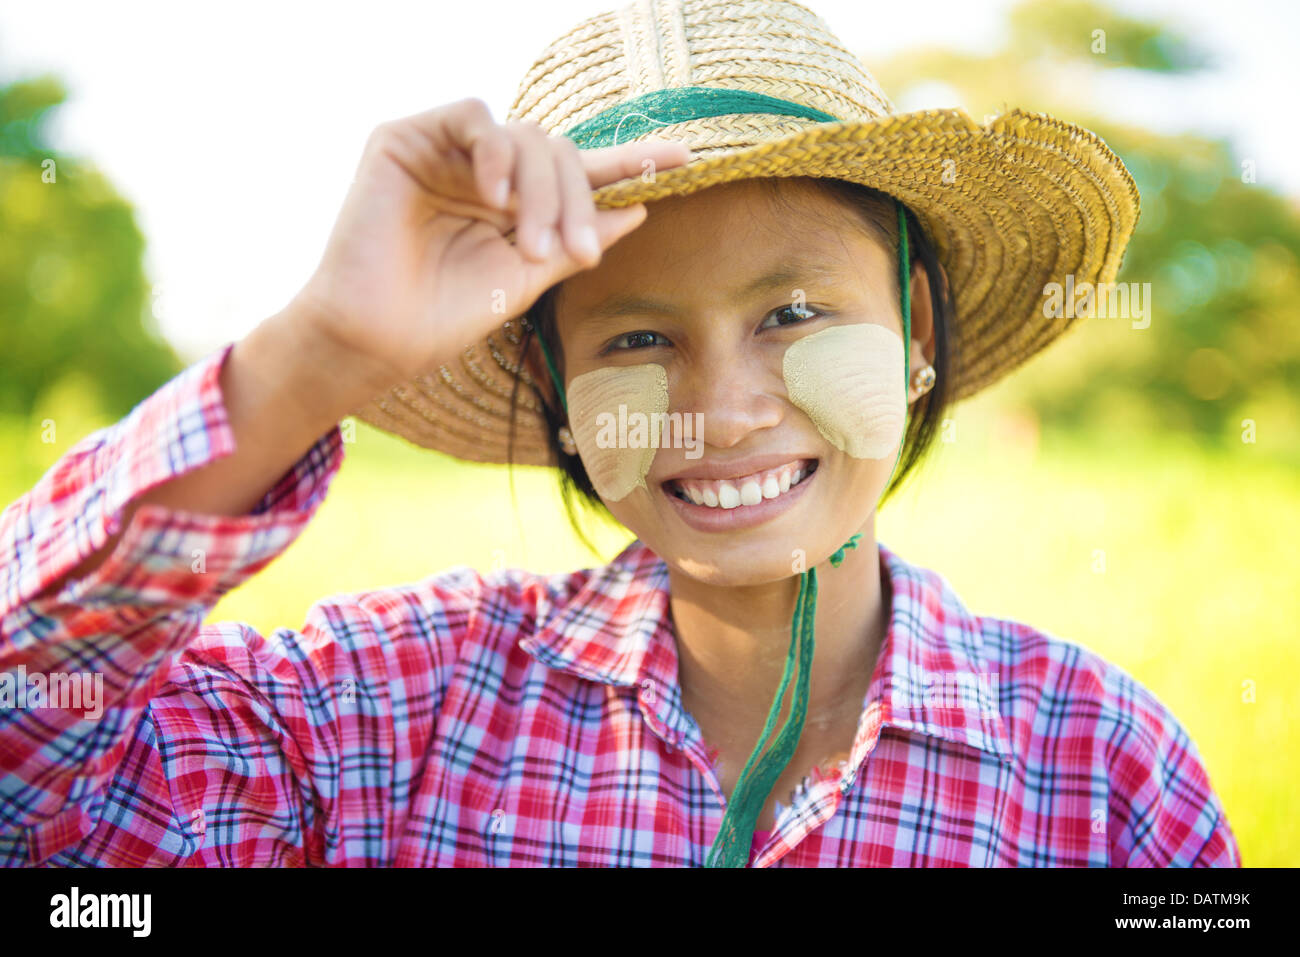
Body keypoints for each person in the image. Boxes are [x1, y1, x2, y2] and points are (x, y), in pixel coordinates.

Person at [0, 0, 1239, 867]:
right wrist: (321, 351)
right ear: (553, 384)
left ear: (914, 329)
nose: (724, 406)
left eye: (796, 313)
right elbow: (30, 783)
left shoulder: (1099, 769)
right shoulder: (392, 713)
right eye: (633, 341)